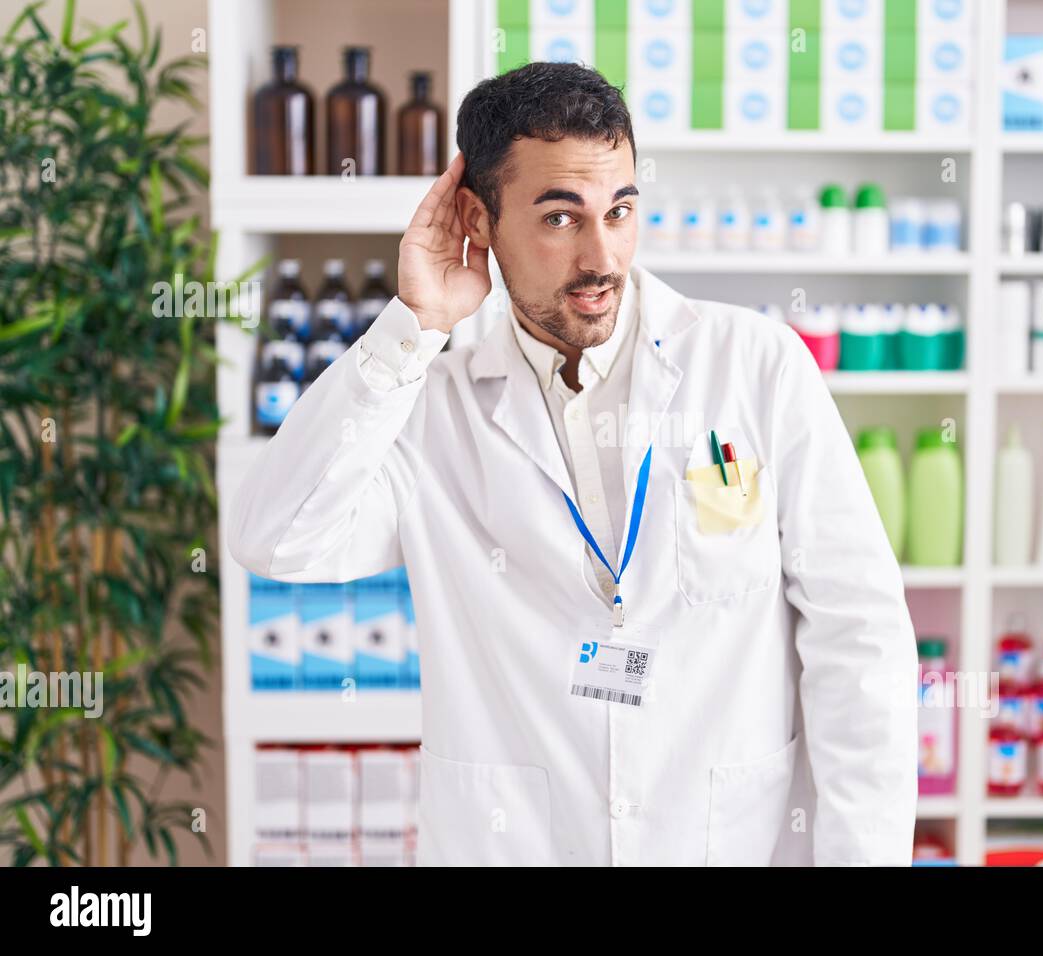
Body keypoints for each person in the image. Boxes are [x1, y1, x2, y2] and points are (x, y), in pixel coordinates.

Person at [228, 61, 917, 866]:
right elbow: (276, 538)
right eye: (560, 219)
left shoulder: (755, 367)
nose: (602, 258)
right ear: (476, 220)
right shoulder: (430, 406)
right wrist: (412, 326)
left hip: (725, 841)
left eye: (619, 210)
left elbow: (859, 639)